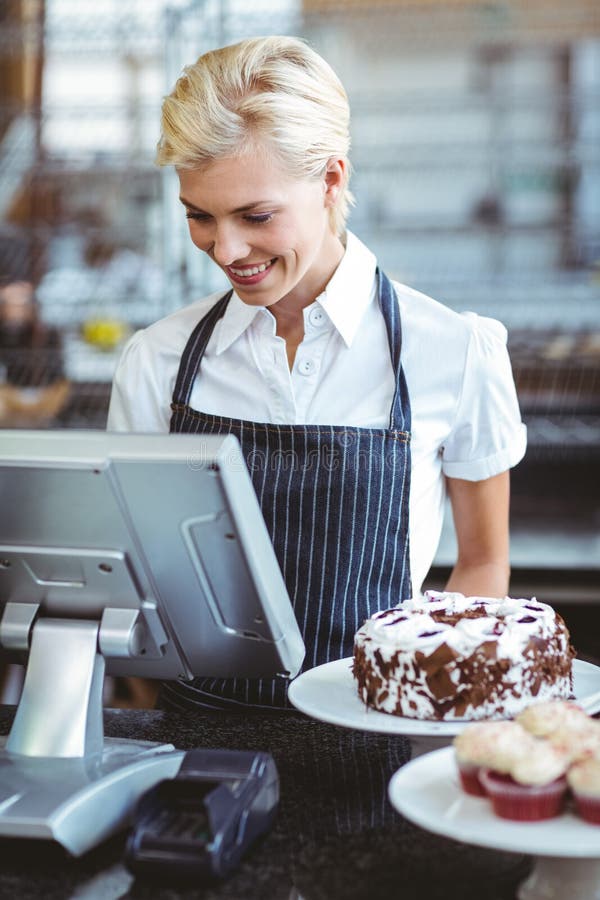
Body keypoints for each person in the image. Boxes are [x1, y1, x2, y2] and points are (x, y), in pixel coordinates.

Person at [107, 35, 526, 710]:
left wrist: (422, 709)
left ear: (332, 179)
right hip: (195, 744)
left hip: (377, 730)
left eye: (256, 215)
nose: (227, 248)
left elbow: (482, 562)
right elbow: (131, 581)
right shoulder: (156, 361)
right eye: (200, 217)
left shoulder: (452, 350)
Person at [0, 276, 70, 427]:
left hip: (45, 396)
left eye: (21, 303)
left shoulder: (48, 334)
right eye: (9, 303)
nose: (15, 309)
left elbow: (60, 379)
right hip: (8, 399)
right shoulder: (4, 335)